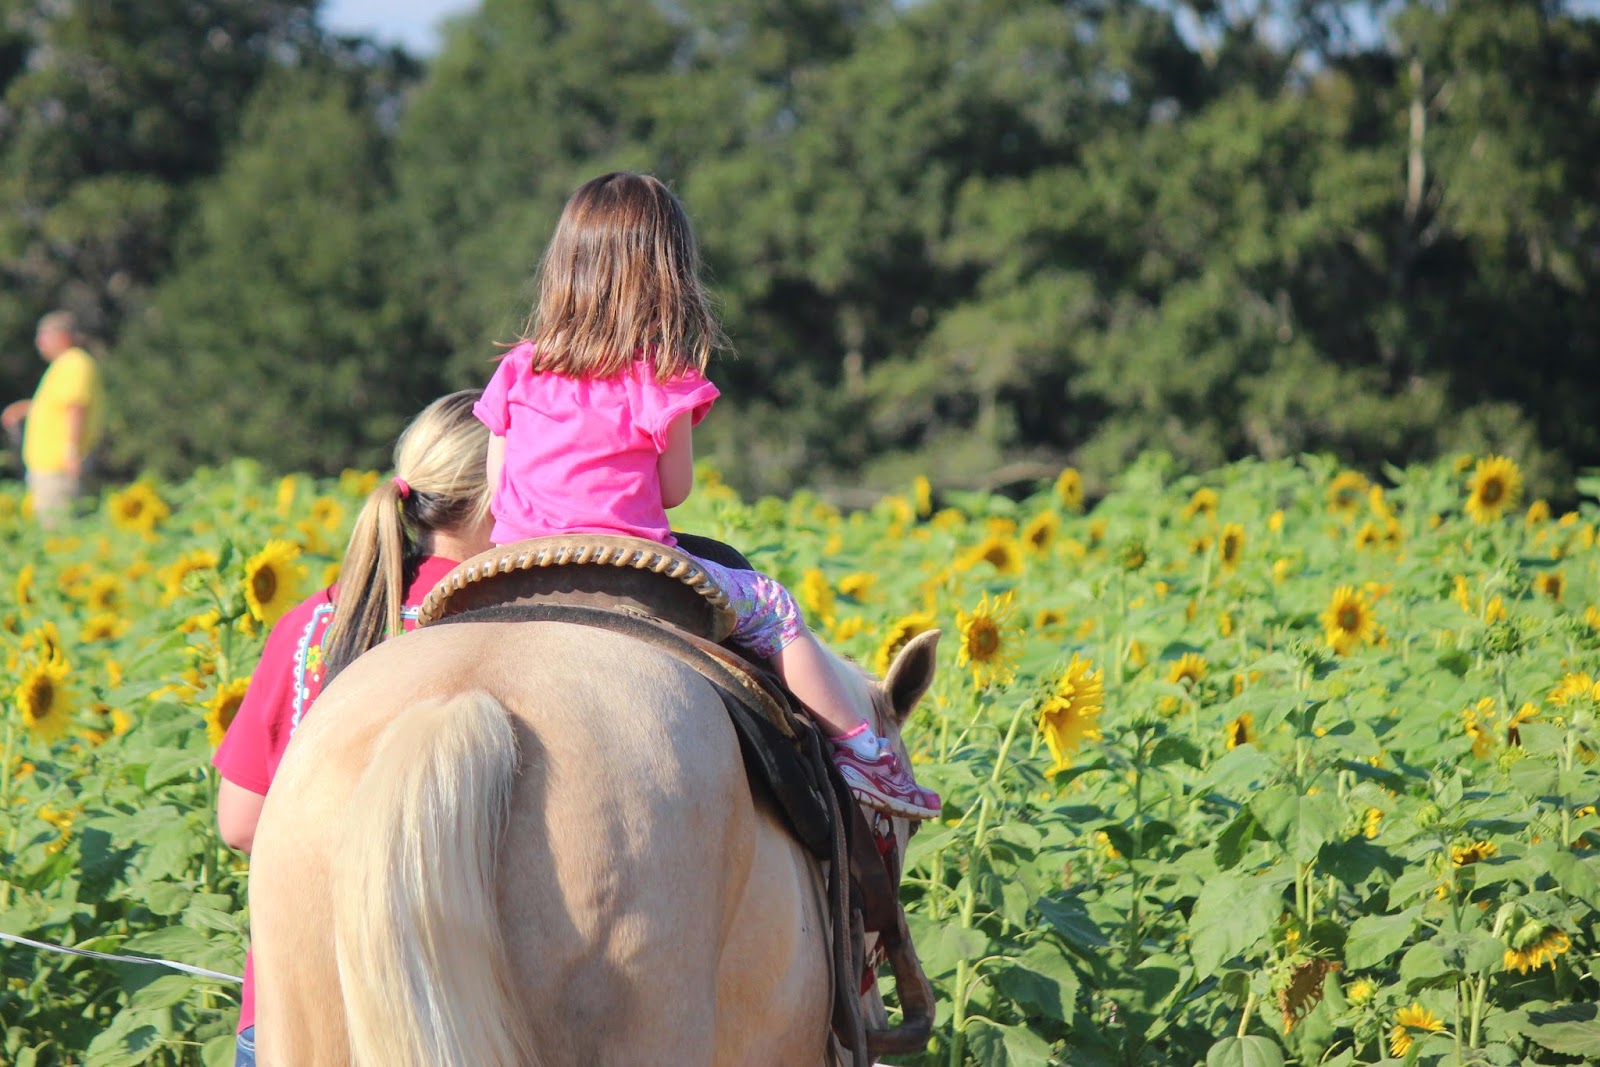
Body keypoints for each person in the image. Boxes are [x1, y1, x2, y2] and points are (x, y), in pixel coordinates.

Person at [474, 171, 940, 821]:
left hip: (515, 571)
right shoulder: (660, 377)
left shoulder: (520, 367)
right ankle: (866, 752)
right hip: (624, 573)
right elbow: (673, 490)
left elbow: (498, 487)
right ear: (667, 276)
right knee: (774, 608)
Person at [211, 390, 496, 1067]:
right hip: (443, 1013)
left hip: (289, 1009)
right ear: (498, 493)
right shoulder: (503, 633)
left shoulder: (312, 622)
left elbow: (241, 821)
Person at [1, 311, 104, 526]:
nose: (39, 342)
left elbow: (75, 406)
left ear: (63, 336)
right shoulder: (62, 366)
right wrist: (25, 409)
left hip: (58, 467)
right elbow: (57, 405)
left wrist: (71, 450)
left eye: (44, 335)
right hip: (48, 466)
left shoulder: (75, 363)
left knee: (59, 531)